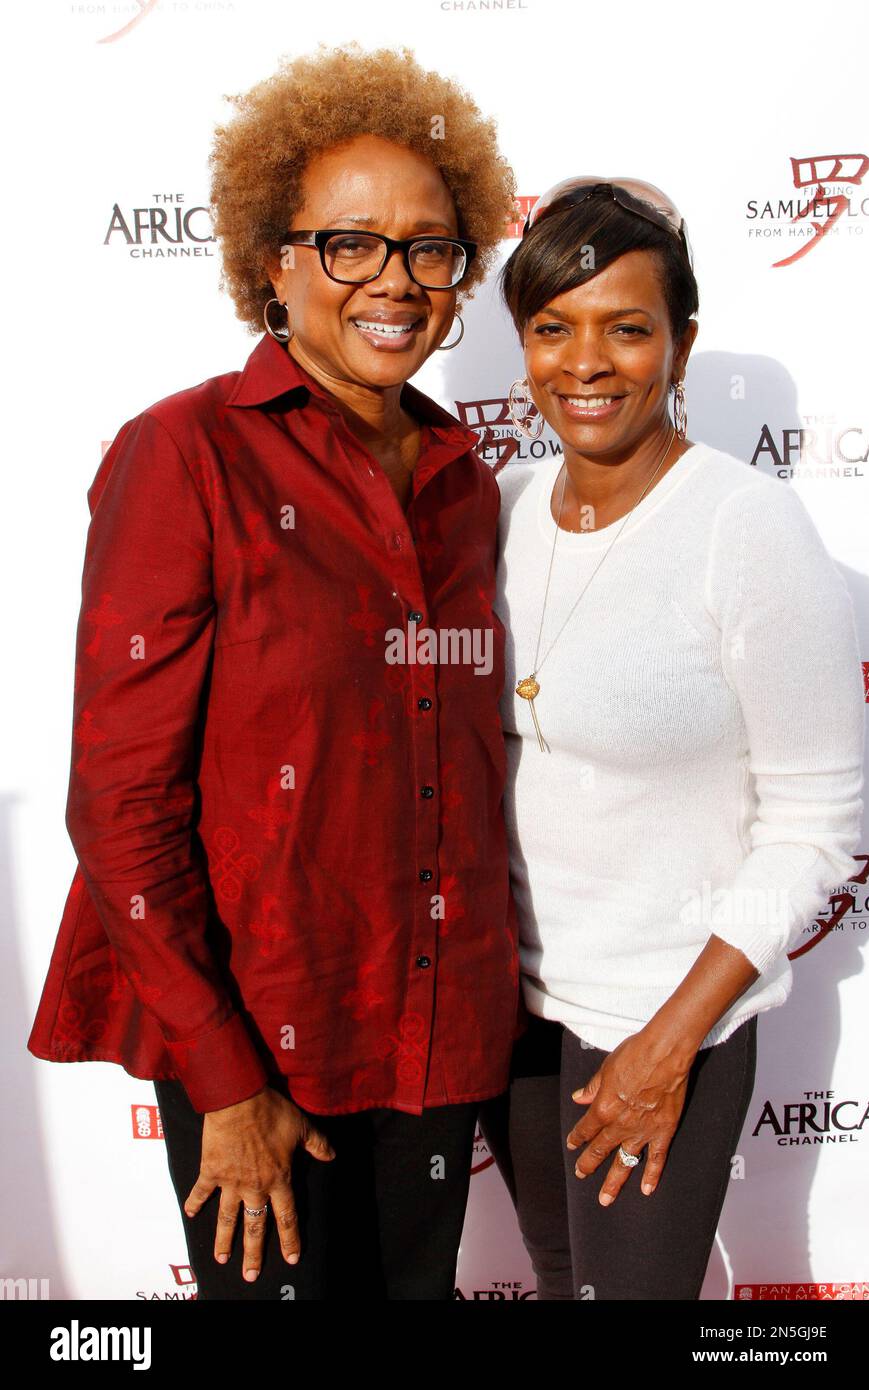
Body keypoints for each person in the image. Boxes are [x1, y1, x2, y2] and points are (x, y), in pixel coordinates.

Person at [27, 42, 521, 1300]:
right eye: (349, 244)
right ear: (272, 264)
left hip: (429, 1023)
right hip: (256, 1033)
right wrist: (222, 1076)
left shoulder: (464, 480)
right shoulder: (184, 454)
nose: (393, 281)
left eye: (427, 247)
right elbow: (120, 803)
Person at [479, 177, 866, 1300]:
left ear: (681, 344)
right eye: (553, 328)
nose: (586, 362)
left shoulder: (744, 528)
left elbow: (814, 825)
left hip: (660, 1015)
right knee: (560, 1276)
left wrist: (669, 1042)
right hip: (517, 1009)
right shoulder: (502, 506)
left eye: (627, 327)